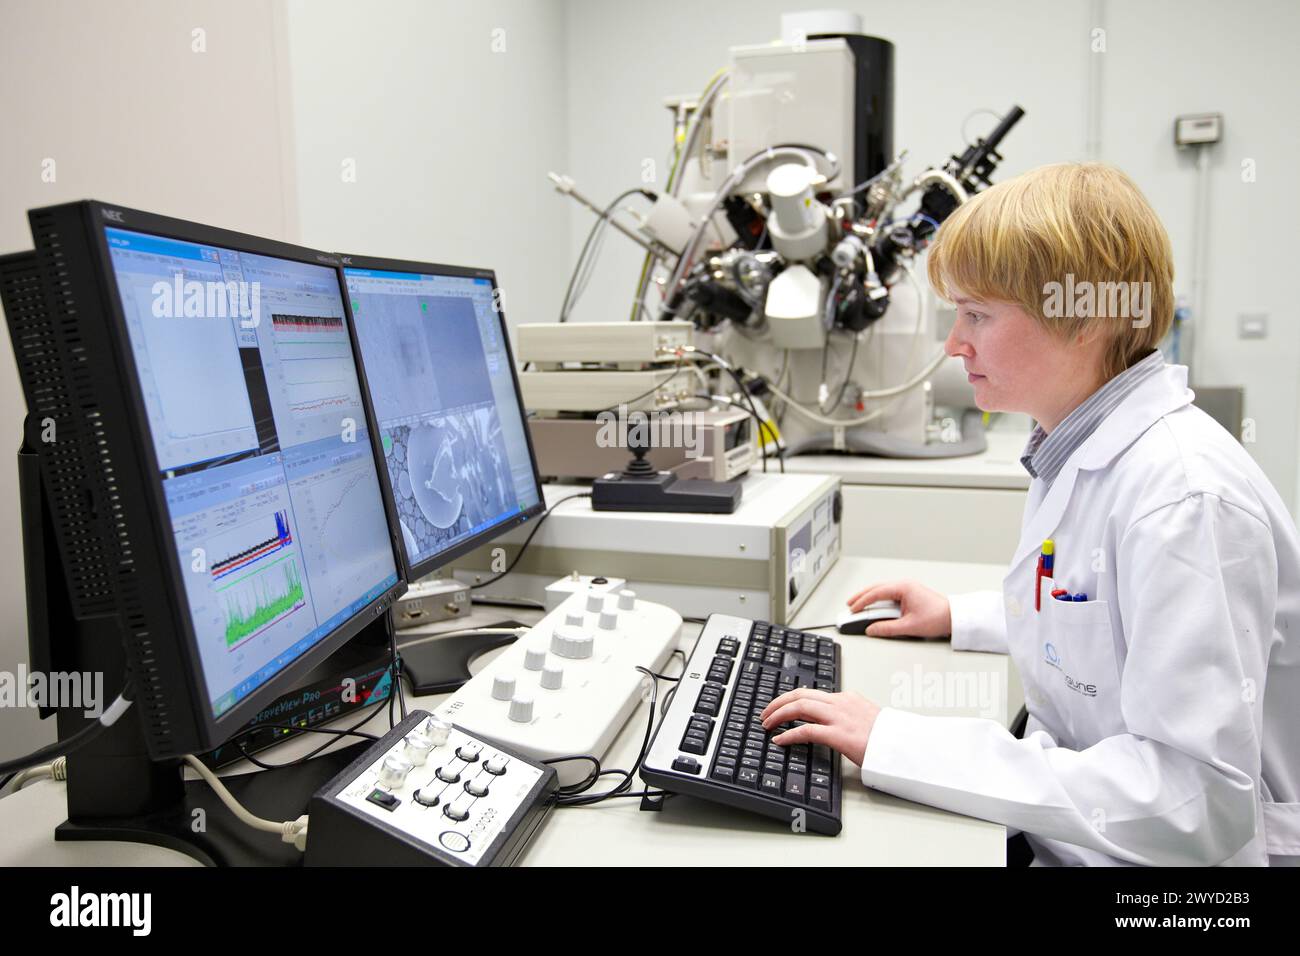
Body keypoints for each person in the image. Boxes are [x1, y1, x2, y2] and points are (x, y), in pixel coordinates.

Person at [761, 162, 1300, 866]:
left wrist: (899, 741)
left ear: (1089, 317)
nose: (956, 344)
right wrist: (963, 616)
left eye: (977, 314)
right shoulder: (1074, 442)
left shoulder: (1183, 499)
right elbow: (1097, 613)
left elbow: (1191, 801)